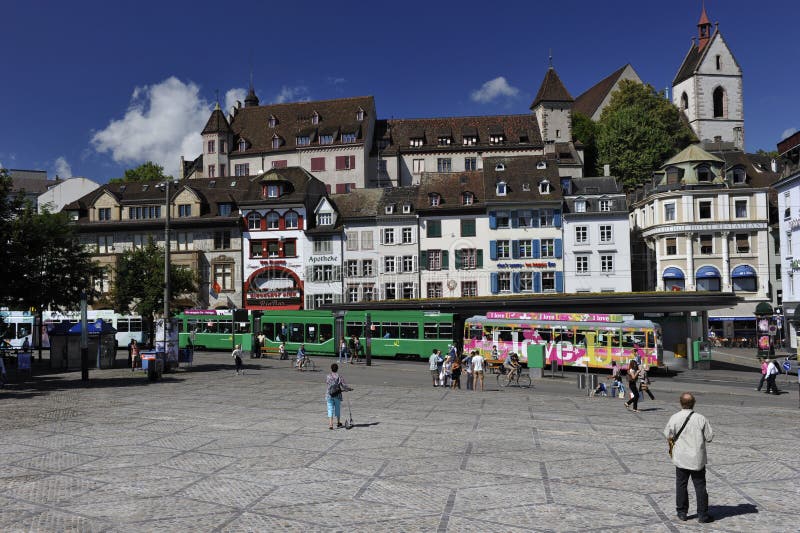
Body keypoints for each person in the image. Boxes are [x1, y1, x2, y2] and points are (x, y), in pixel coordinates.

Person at [663, 392, 714, 523]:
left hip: (681, 457)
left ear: (681, 403)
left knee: (681, 485)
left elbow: (667, 434)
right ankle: (702, 515)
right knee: (700, 486)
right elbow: (709, 437)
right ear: (694, 403)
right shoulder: (700, 418)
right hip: (697, 459)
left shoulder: (674, 417)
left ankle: (682, 512)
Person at [325, 363, 351, 430]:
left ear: (331, 369)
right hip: (337, 395)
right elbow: (344, 385)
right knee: (337, 408)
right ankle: (338, 422)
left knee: (330, 409)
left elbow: (328, 384)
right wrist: (348, 389)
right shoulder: (339, 376)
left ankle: (331, 424)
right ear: (337, 369)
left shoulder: (328, 376)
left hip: (329, 394)